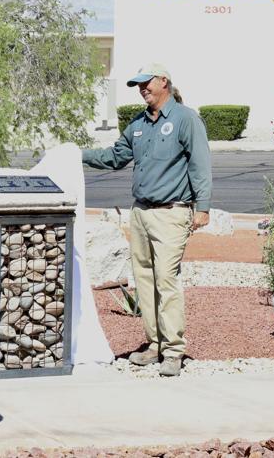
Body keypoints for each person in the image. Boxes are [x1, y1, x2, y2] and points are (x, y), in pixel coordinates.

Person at [82, 63, 212, 377]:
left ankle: (173, 350)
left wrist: (203, 207)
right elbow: (115, 156)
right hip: (140, 212)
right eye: (138, 85)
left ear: (164, 81)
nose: (142, 89)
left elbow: (200, 165)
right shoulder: (139, 123)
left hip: (171, 212)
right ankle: (154, 345)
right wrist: (78, 154)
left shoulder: (186, 119)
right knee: (144, 281)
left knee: (166, 280)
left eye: (146, 83)